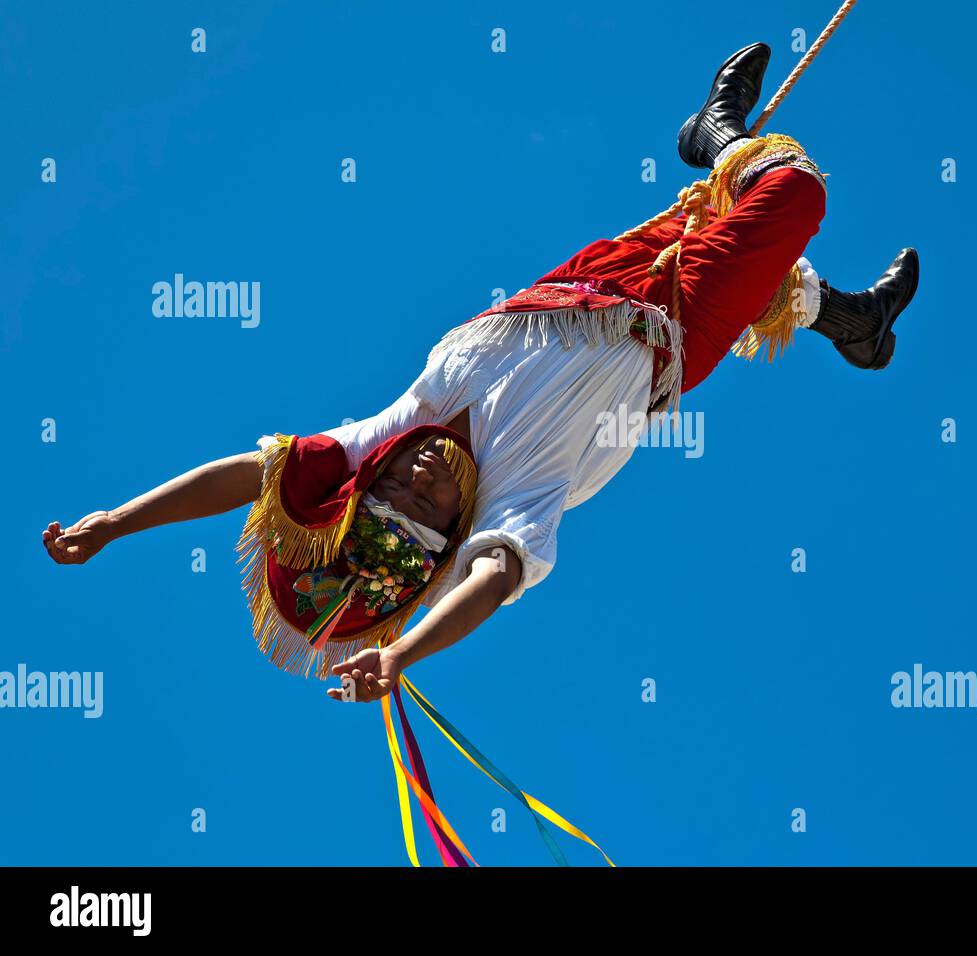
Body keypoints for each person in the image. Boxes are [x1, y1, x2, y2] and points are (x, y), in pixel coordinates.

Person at [41, 42, 919, 703]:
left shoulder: (393, 430)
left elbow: (250, 475)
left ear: (365, 481)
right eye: (429, 509)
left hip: (587, 279)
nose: (421, 478)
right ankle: (720, 135)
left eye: (397, 489)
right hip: (674, 334)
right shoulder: (513, 498)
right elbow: (493, 580)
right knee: (790, 197)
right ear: (452, 530)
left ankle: (858, 324)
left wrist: (116, 523)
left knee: (760, 259)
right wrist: (402, 652)